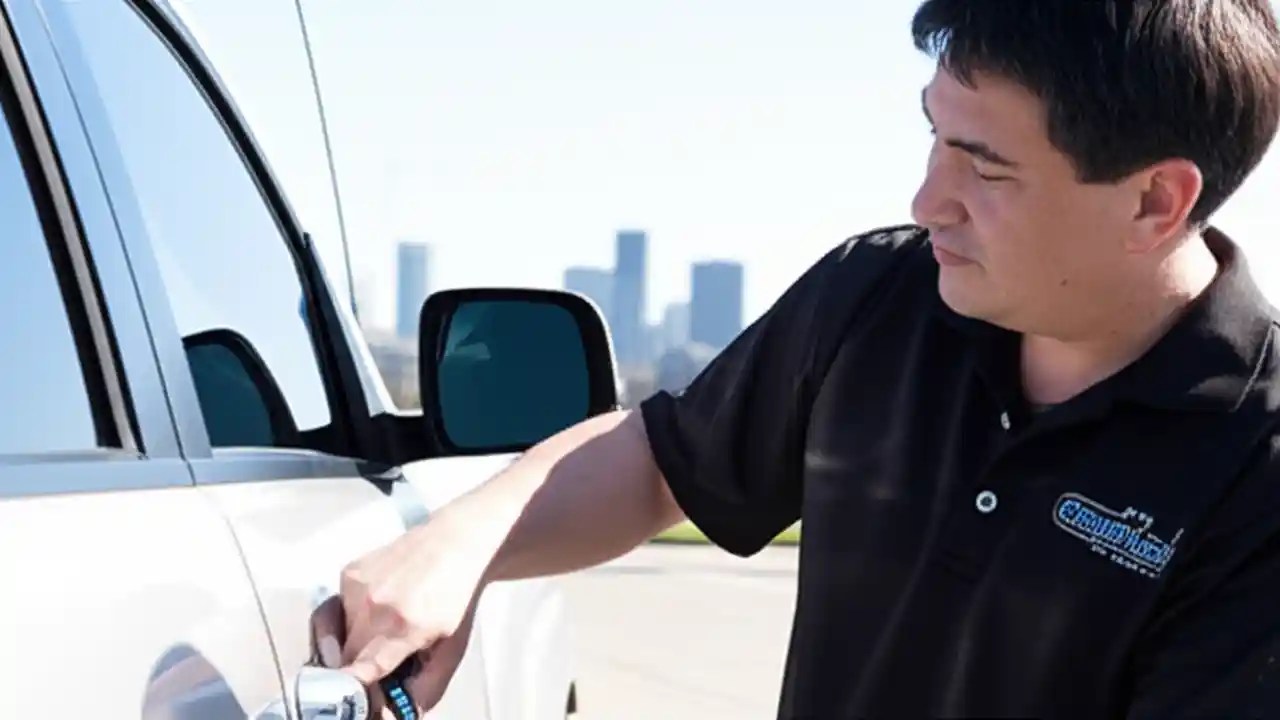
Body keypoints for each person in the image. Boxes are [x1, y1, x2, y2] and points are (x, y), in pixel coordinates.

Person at [328, 0, 1280, 717]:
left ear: (1156, 202)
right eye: (933, 136)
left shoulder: (1257, 469)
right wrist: (458, 550)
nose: (927, 201)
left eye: (986, 168)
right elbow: (665, 460)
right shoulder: (881, 294)